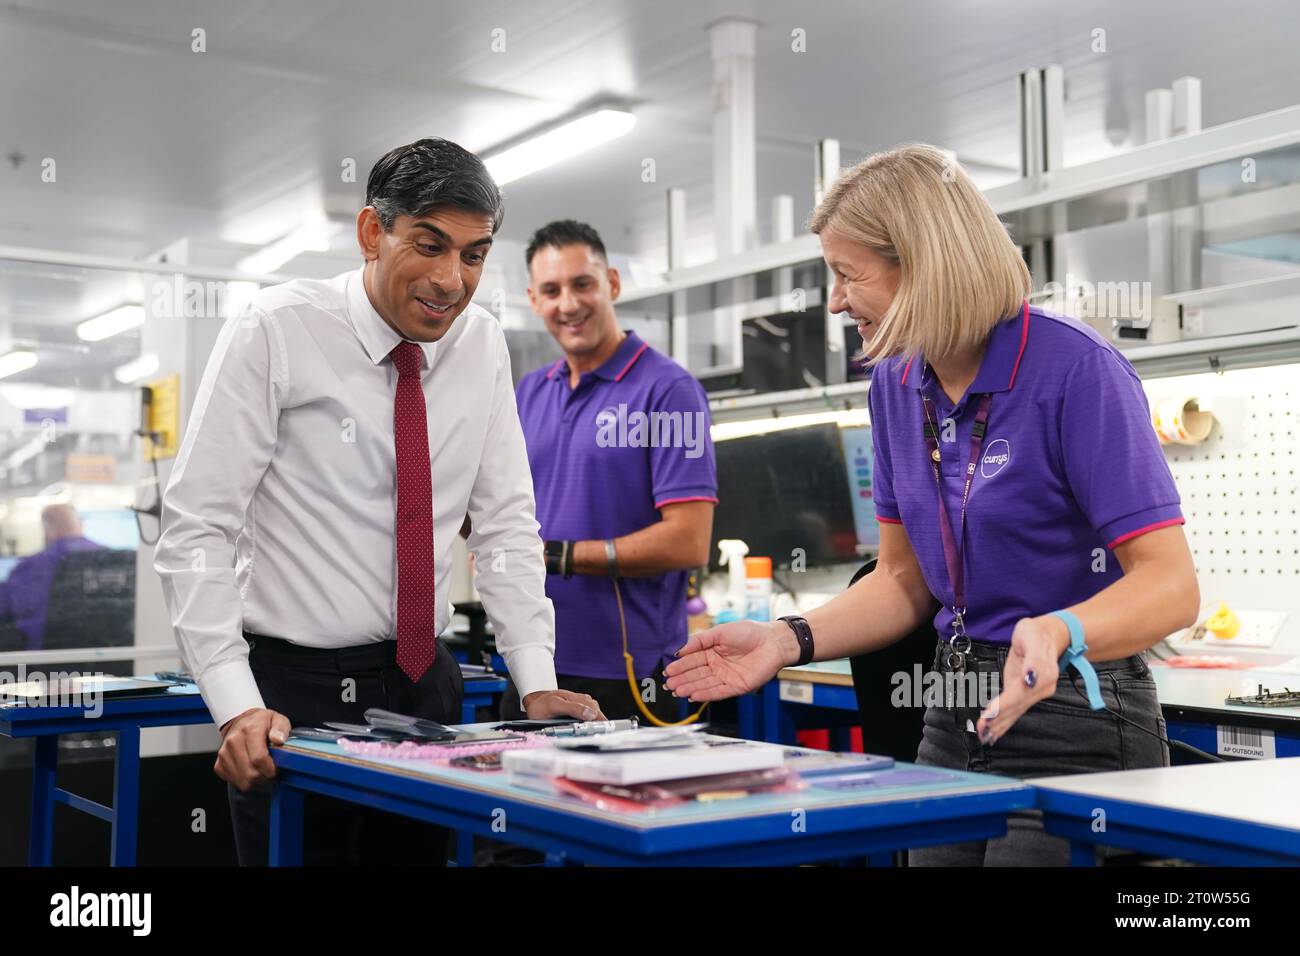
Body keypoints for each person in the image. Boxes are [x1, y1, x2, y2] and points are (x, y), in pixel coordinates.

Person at [664, 144, 1200, 866]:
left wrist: (1060, 630)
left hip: (1078, 714)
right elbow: (901, 582)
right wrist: (787, 639)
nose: (834, 300)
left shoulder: (1076, 370)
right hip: (953, 708)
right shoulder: (895, 383)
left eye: (847, 274)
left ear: (922, 266)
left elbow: (1171, 586)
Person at [154, 138, 602, 866]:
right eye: (430, 245)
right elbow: (197, 527)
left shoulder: (481, 345)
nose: (452, 279)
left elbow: (506, 526)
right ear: (372, 232)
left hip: (425, 690)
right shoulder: (276, 329)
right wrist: (235, 703)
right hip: (290, 699)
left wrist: (536, 683)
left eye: (475, 254)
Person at [505, 220, 717, 723]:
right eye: (551, 291)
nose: (568, 304)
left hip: (629, 674)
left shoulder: (669, 390)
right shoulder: (529, 392)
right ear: (533, 300)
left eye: (583, 284)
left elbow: (688, 541)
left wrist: (558, 556)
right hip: (531, 668)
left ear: (612, 284)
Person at [0, 504, 103, 648]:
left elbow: (5, 608)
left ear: (46, 530)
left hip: (45, 661)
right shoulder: (112, 560)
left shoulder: (31, 567)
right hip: (111, 659)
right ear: (80, 524)